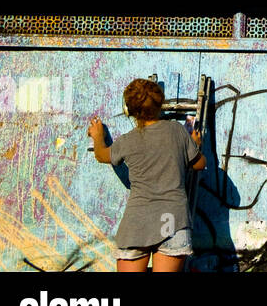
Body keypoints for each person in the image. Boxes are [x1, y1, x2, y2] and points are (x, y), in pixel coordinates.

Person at [88, 78, 206, 272]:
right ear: (160, 104)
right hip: (172, 220)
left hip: (137, 224)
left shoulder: (127, 141)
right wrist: (195, 144)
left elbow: (101, 155)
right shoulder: (177, 130)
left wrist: (98, 135)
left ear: (129, 110)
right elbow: (200, 164)